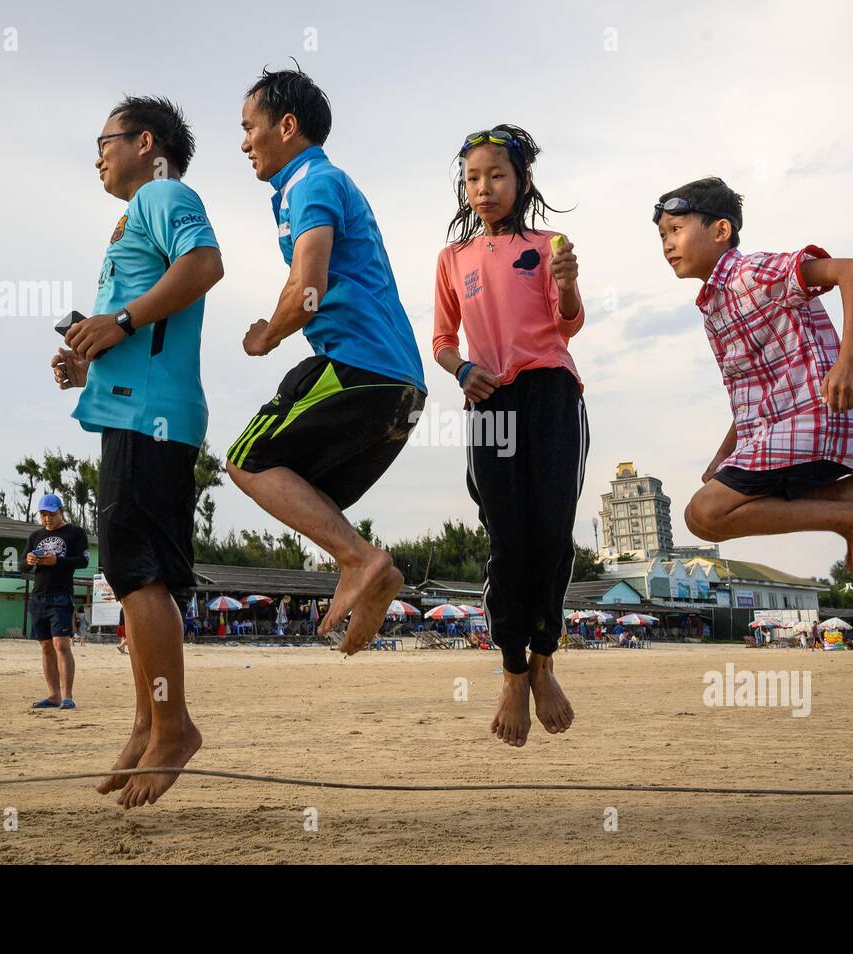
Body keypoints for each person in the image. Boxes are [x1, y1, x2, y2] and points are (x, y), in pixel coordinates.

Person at [51, 95, 224, 809]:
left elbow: (205, 265)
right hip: (133, 409)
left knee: (137, 571)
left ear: (144, 141)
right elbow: (148, 327)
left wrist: (117, 320)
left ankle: (174, 727)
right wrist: (90, 357)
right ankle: (148, 723)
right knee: (133, 572)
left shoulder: (164, 191)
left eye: (103, 140)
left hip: (152, 418)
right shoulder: (136, 213)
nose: (97, 155)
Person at [227, 65, 426, 655]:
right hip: (403, 393)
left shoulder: (311, 182)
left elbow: (307, 285)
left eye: (249, 128)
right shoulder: (316, 185)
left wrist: (268, 334)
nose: (243, 143)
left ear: (286, 127)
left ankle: (361, 559)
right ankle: (365, 567)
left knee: (246, 462)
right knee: (302, 489)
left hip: (359, 367)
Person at [658, 178, 853, 598]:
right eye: (662, 236)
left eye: (676, 230)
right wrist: (726, 452)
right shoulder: (713, 308)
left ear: (721, 231)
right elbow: (752, 390)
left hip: (814, 417)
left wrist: (850, 359)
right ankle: (848, 503)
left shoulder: (753, 272)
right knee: (709, 515)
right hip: (775, 430)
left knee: (704, 513)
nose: (667, 244)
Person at [433, 125, 587, 748]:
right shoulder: (453, 260)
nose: (484, 187)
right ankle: (512, 670)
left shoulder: (549, 245)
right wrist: (465, 371)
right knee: (507, 536)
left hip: (550, 391)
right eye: (473, 178)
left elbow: (568, 324)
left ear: (521, 182)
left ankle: (545, 659)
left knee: (551, 531)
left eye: (497, 175)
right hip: (490, 399)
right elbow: (443, 345)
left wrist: (570, 281)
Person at [21, 493, 90, 710]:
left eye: (51, 514)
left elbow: (83, 560)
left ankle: (67, 696)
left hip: (61, 595)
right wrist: (29, 560)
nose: (47, 519)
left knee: (61, 644)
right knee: (46, 647)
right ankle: (53, 695)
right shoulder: (35, 536)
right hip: (38, 596)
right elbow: (22, 566)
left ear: (61, 511)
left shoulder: (75, 533)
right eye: (43, 514)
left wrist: (57, 561)